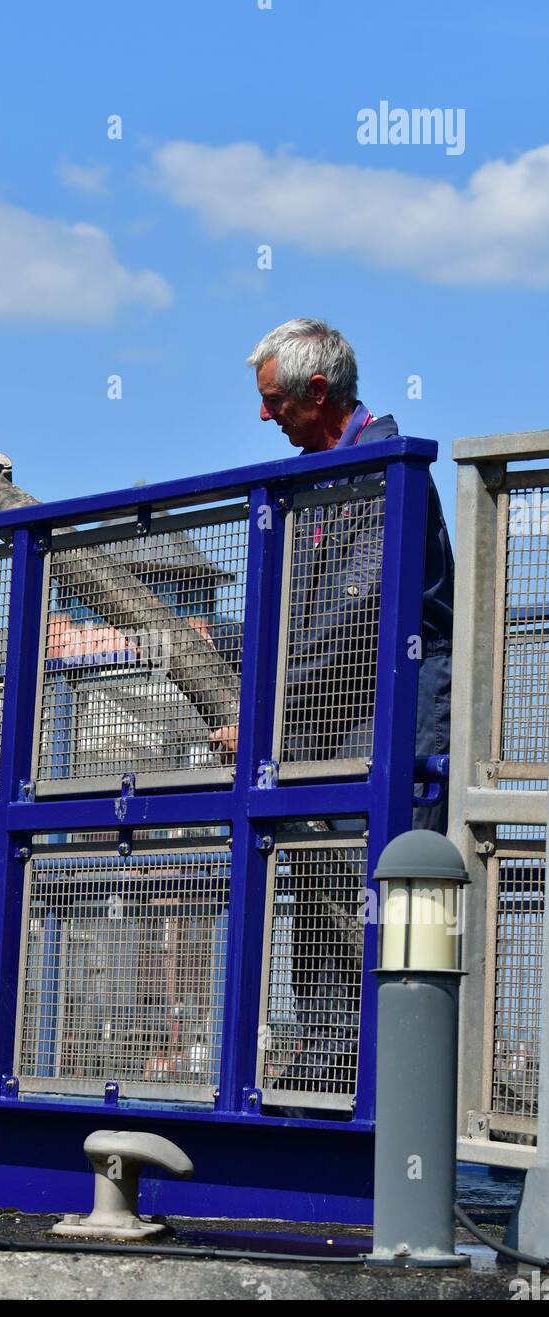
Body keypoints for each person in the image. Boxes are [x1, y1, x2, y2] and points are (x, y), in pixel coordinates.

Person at [227, 318, 455, 1111]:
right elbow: (294, 619)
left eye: (272, 402)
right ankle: (327, 1060)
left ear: (314, 392)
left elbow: (358, 612)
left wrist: (263, 709)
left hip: (393, 716)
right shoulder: (317, 483)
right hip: (327, 716)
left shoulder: (390, 474)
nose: (266, 418)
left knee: (378, 879)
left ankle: (387, 1087)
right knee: (317, 877)